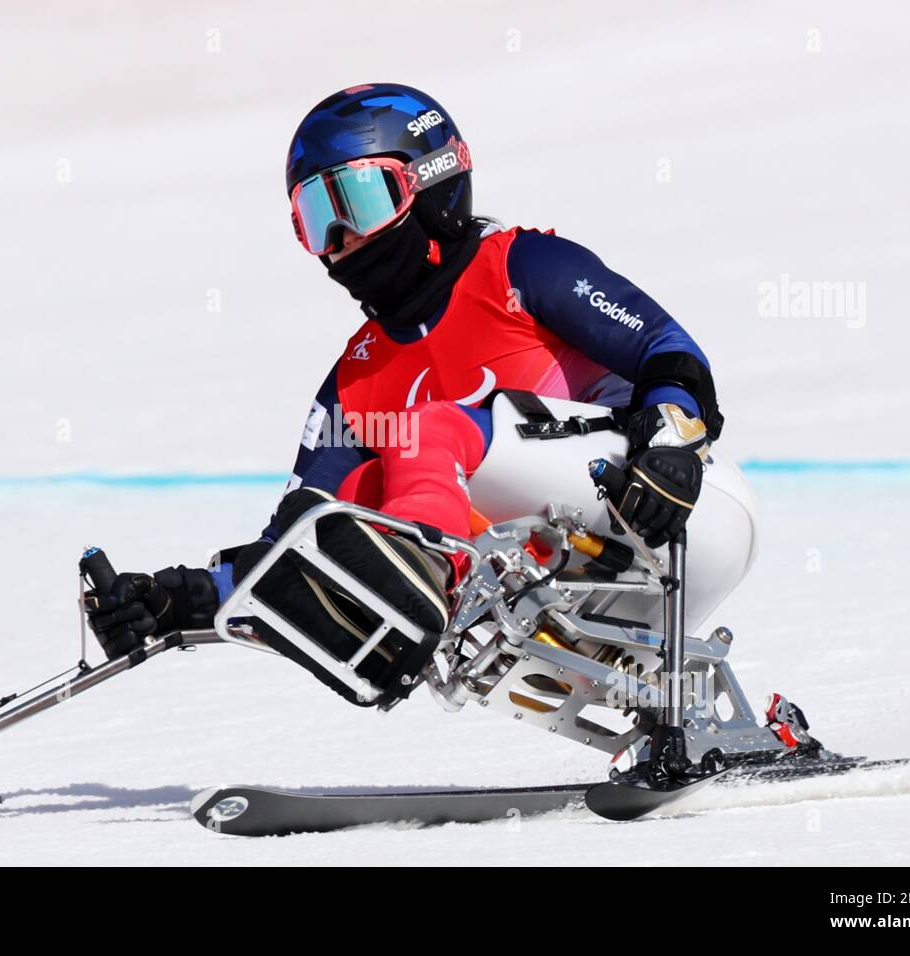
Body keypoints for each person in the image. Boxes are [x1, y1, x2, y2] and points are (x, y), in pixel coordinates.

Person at [83, 83, 746, 704]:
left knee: (428, 431)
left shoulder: (520, 265)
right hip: (548, 607)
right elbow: (299, 544)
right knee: (343, 509)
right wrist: (178, 599)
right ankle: (402, 608)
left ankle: (415, 588)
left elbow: (667, 347)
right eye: (319, 218)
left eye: (360, 203)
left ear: (431, 185)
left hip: (671, 513)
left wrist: (673, 439)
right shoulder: (356, 379)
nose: (342, 242)